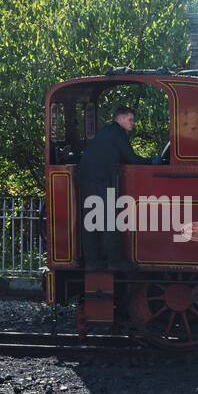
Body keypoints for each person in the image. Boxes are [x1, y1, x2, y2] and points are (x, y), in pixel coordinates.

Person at [76, 105, 153, 270]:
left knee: (91, 220)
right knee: (109, 219)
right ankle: (114, 261)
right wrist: (153, 161)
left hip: (88, 177)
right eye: (130, 120)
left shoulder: (108, 131)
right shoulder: (117, 134)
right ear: (120, 118)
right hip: (98, 178)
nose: (132, 124)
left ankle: (92, 262)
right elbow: (132, 158)